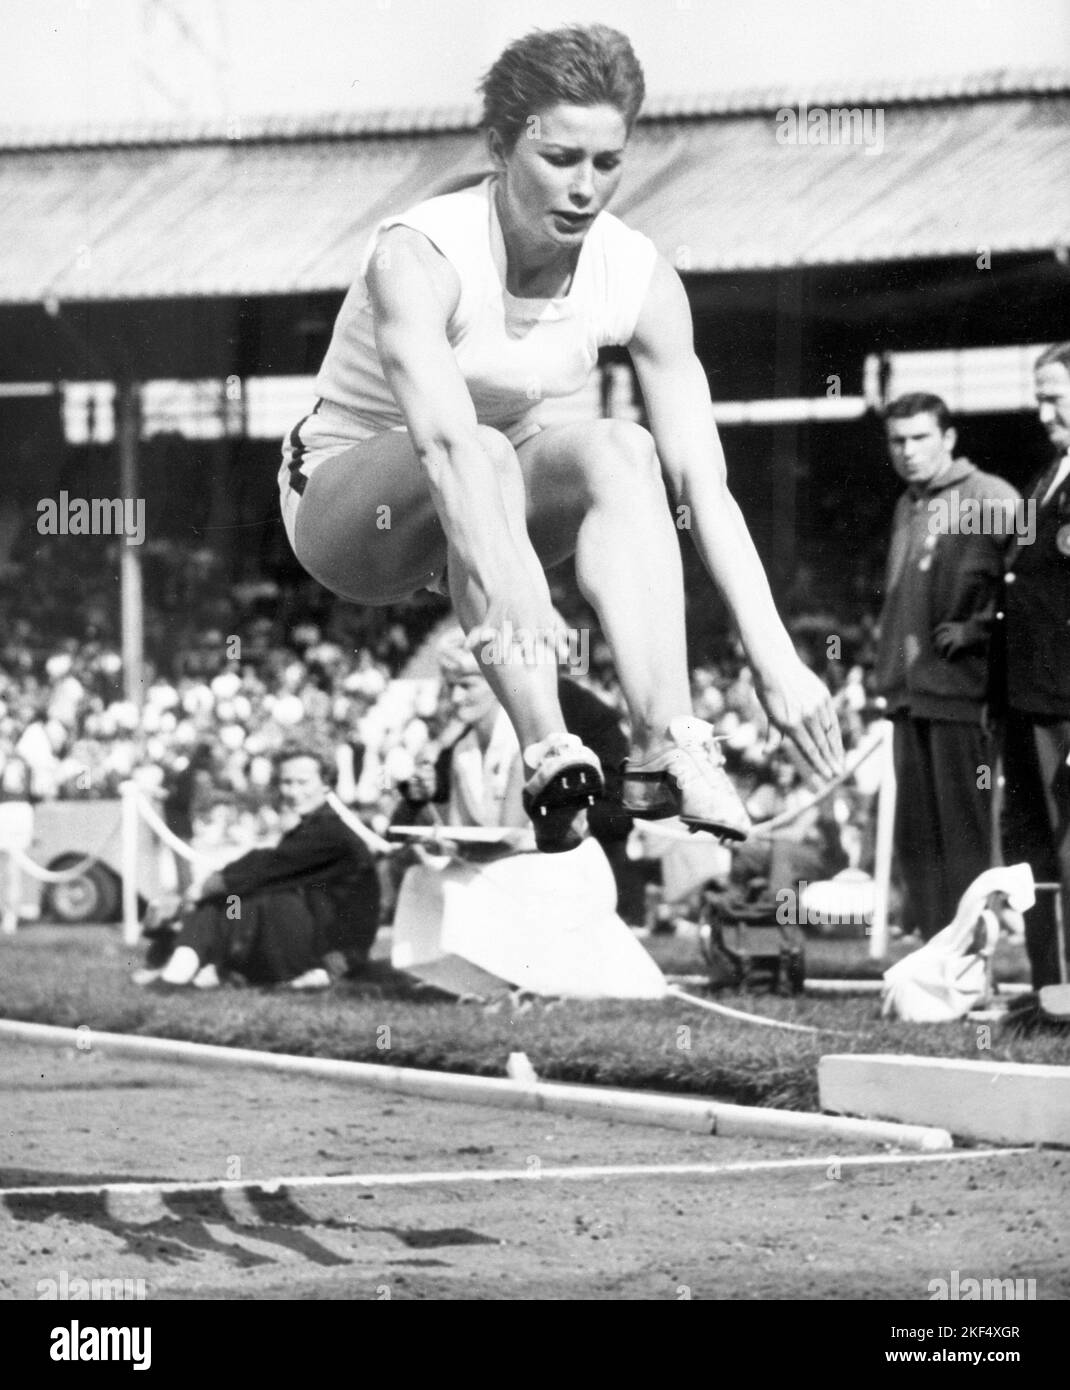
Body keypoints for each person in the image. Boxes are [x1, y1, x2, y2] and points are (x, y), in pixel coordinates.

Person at [278, 23, 842, 856]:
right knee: (486, 451)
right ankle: (548, 747)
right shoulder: (422, 252)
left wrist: (778, 662)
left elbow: (703, 486)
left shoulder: (638, 274)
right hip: (353, 503)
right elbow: (445, 453)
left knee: (624, 449)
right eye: (560, 160)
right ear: (503, 147)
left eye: (606, 164)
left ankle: (663, 743)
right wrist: (529, 615)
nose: (585, 189)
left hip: (494, 507)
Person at [873, 393, 1020, 939]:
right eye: (897, 440)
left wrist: (980, 628)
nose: (908, 451)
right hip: (908, 695)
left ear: (949, 438)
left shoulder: (991, 496)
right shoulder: (906, 504)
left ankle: (970, 954)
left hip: (962, 696)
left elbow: (1035, 583)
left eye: (919, 438)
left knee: (963, 836)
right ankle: (935, 954)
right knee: (919, 840)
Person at [135, 745, 382, 989]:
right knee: (235, 900)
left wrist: (204, 888)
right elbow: (266, 864)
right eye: (286, 782)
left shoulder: (332, 832)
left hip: (333, 955)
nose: (293, 791)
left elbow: (267, 867)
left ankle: (180, 967)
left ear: (326, 784)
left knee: (246, 896)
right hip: (312, 943)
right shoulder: (313, 827)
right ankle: (188, 965)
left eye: (303, 782)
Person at [997, 342, 1070, 986]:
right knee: (1033, 846)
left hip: (1063, 702)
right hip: (1028, 699)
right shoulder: (1045, 481)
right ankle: (1050, 986)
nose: (1042, 411)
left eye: (1054, 396)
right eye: (1038, 397)